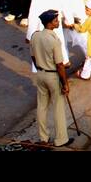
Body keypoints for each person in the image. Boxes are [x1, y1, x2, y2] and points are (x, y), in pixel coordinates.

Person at [30, 9, 71, 147]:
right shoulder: (54, 40)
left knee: (41, 107)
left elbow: (33, 57)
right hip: (52, 75)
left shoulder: (35, 36)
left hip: (40, 74)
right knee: (58, 107)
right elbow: (60, 65)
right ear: (49, 23)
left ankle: (43, 137)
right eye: (55, 20)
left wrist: (40, 67)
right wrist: (65, 83)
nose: (57, 22)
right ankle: (61, 139)